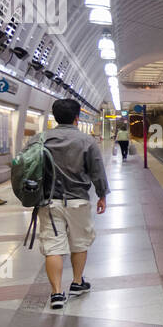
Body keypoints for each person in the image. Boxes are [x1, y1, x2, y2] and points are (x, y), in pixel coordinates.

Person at [27, 98, 109, 310]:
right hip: (78, 201)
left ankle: (56, 294)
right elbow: (97, 170)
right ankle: (77, 282)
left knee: (53, 247)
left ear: (55, 117)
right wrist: (102, 194)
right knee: (80, 242)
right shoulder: (86, 141)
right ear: (77, 117)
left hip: (48, 201)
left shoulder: (40, 139)